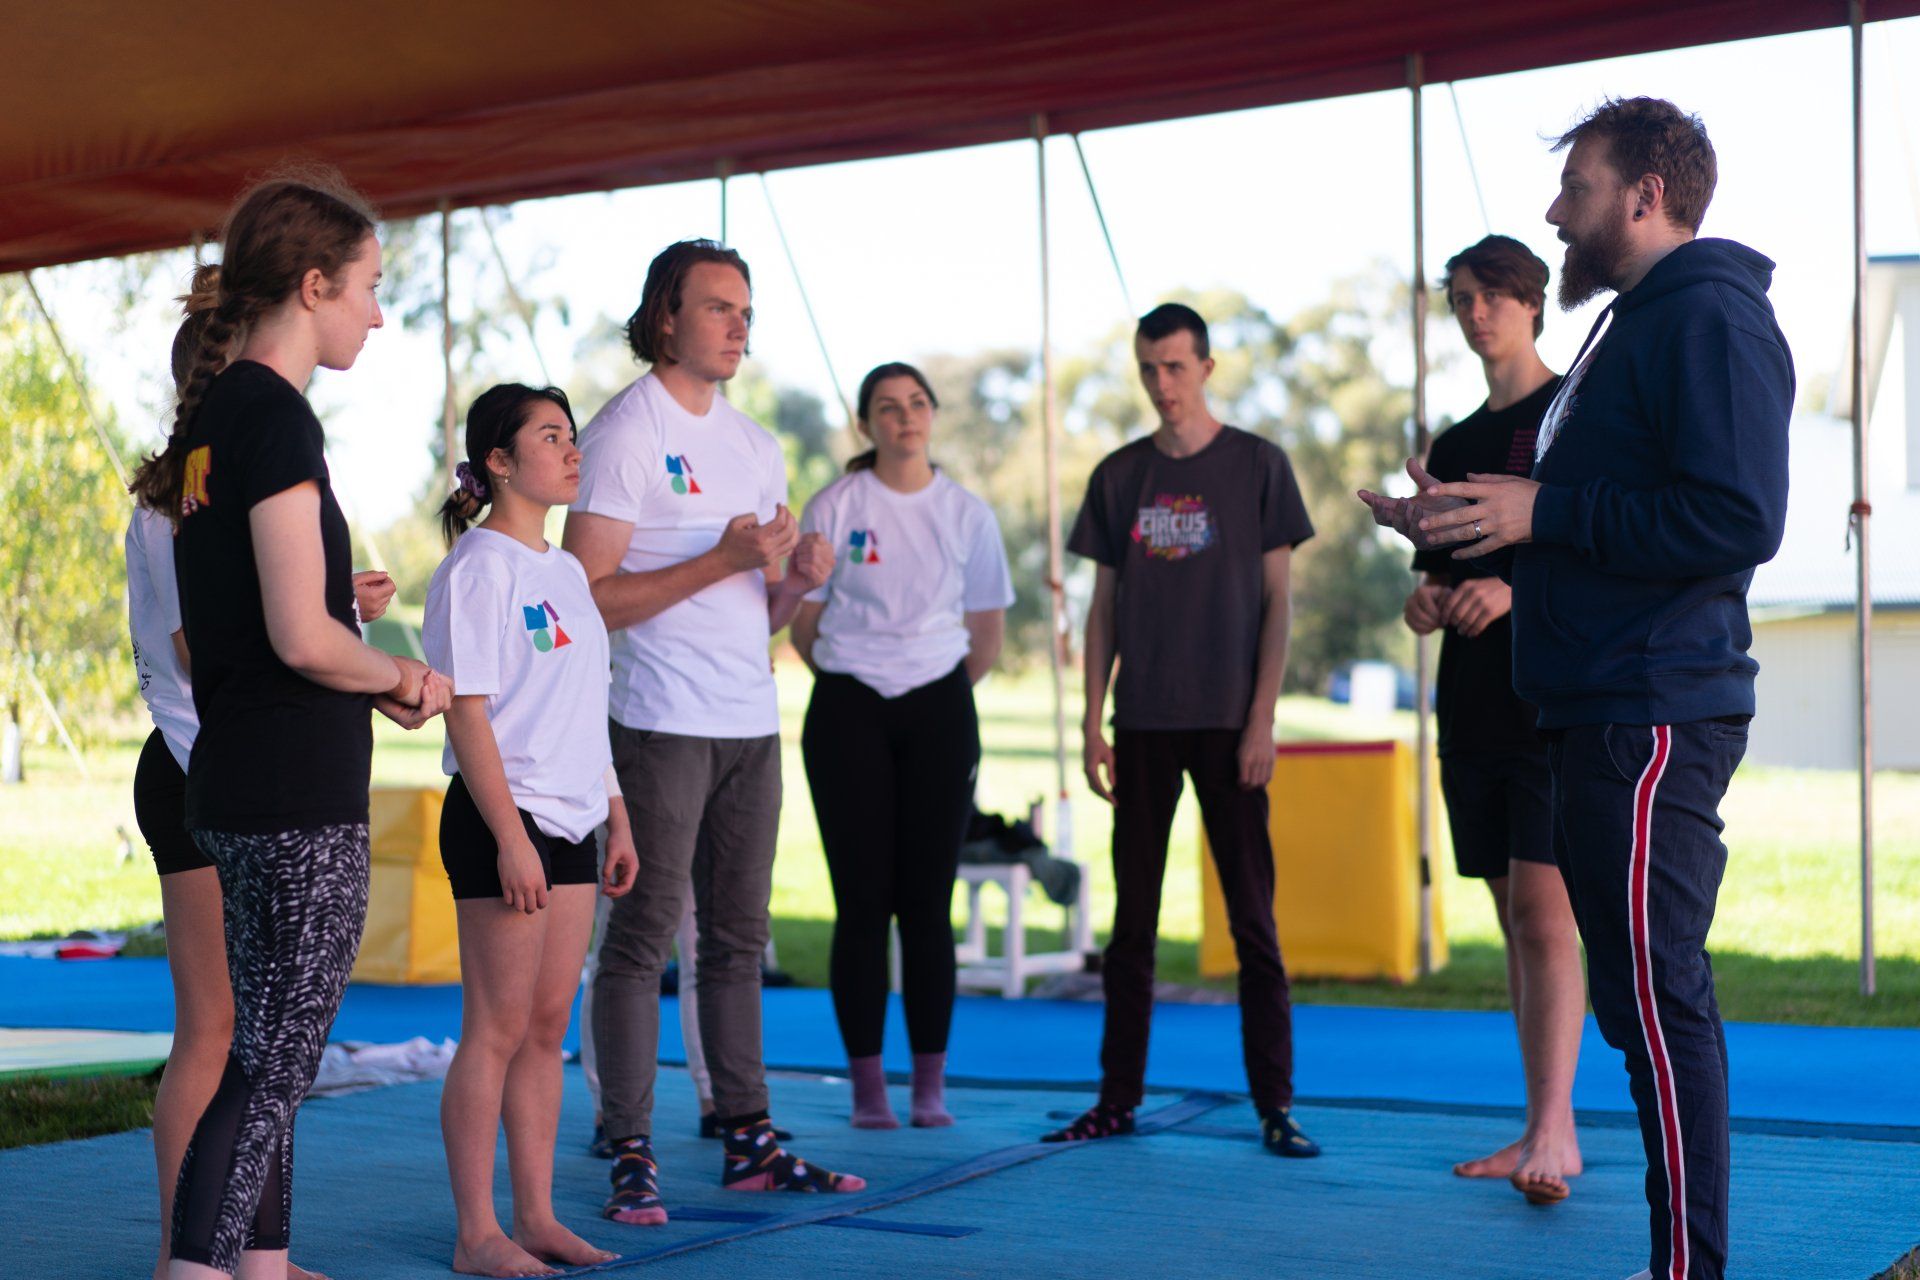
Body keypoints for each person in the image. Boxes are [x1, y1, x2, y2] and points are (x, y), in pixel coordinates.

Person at [1361, 98, 1791, 1280]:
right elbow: (1592, 516)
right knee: (1636, 1004)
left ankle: (1687, 1265)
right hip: (1592, 703)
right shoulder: (1633, 324)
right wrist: (1460, 523)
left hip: (1651, 706)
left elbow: (1737, 516)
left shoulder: (1707, 314)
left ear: (1645, 194)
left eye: (1578, 187)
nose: (1556, 213)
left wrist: (1541, 512)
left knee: (1657, 998)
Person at [143, 171, 451, 1280]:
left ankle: (260, 1265)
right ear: (313, 286)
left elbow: (263, 626)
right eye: (369, 286)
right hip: (288, 788)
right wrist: (402, 672)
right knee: (272, 1060)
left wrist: (363, 667)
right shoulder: (274, 418)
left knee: (265, 1053)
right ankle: (198, 1268)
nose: (378, 312)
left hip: (240, 776)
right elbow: (301, 636)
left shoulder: (217, 418)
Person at [562, 238, 857, 1226]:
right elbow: (584, 598)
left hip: (748, 723)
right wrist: (722, 559)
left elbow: (755, 611)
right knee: (640, 942)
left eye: (746, 311)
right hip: (658, 723)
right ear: (666, 317)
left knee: (737, 941)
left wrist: (795, 582)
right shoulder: (625, 431)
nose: (739, 326)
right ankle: (629, 1148)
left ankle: (749, 1140)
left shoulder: (756, 445)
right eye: (719, 307)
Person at [1051, 302, 1319, 1158]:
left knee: (1253, 925)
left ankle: (1275, 1105)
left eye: (1175, 366)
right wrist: (1091, 721)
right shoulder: (1119, 475)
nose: (1162, 384)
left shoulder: (1259, 466)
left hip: (1230, 726)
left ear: (1205, 367)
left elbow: (1278, 603)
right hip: (1143, 723)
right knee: (1131, 926)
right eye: (1149, 369)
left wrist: (1261, 719)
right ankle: (1116, 1100)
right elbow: (1102, 610)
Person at [424, 384, 640, 1277]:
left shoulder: (564, 572)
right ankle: (477, 1233)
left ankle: (538, 1216)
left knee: (548, 1027)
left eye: (571, 434)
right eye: (551, 437)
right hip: (502, 819)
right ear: (500, 462)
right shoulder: (478, 568)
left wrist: (615, 814)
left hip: (576, 818)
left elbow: (584, 707)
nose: (572, 449)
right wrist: (511, 836)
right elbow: (466, 712)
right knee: (497, 1027)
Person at [1405, 235, 1586, 1204]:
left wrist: (1516, 594)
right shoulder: (1454, 444)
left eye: (1495, 295)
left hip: (1547, 705)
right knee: (1515, 923)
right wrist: (1430, 601)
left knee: (1547, 918)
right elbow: (1437, 581)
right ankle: (1538, 1125)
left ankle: (1556, 1132)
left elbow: (1595, 554)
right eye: (1464, 299)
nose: (1478, 313)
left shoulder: (1576, 418)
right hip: (1470, 705)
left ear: (1533, 300)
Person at [791, 361, 1014, 1129]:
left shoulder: (967, 513)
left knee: (926, 904)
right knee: (861, 904)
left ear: (933, 416)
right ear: (866, 425)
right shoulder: (836, 505)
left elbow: (986, 633)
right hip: (848, 708)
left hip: (938, 710)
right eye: (887, 407)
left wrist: (931, 694)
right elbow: (805, 624)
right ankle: (866, 1091)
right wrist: (859, 681)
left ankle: (928, 1088)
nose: (905, 417)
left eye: (917, 404)